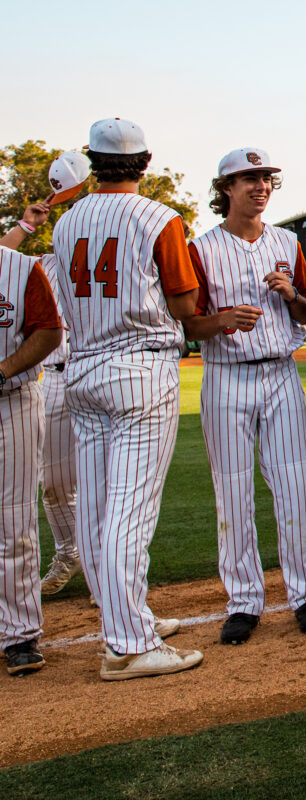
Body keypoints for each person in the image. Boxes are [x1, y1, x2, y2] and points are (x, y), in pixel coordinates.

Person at [51, 118, 202, 680]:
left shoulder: (66, 223)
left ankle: (124, 615)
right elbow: (186, 305)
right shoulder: (160, 217)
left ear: (92, 160)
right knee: (129, 511)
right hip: (139, 364)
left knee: (95, 509)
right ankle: (130, 644)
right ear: (146, 160)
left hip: (83, 365)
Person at [186, 148, 306, 644]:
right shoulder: (199, 248)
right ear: (225, 188)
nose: (261, 186)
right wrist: (220, 320)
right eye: (249, 178)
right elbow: (188, 323)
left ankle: (305, 593)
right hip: (225, 376)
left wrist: (292, 295)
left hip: (280, 372)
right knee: (233, 491)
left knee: (295, 486)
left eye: (266, 177)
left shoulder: (287, 243)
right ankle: (243, 600)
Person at [0, 245, 63, 676]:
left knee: (15, 522)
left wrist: (2, 370)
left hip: (12, 404)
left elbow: (48, 331)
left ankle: (20, 634)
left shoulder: (20, 270)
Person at [37, 153, 90, 596]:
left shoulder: (104, 254)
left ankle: (106, 572)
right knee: (53, 484)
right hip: (53, 378)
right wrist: (28, 223)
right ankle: (69, 551)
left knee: (104, 481)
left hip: (93, 367)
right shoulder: (40, 265)